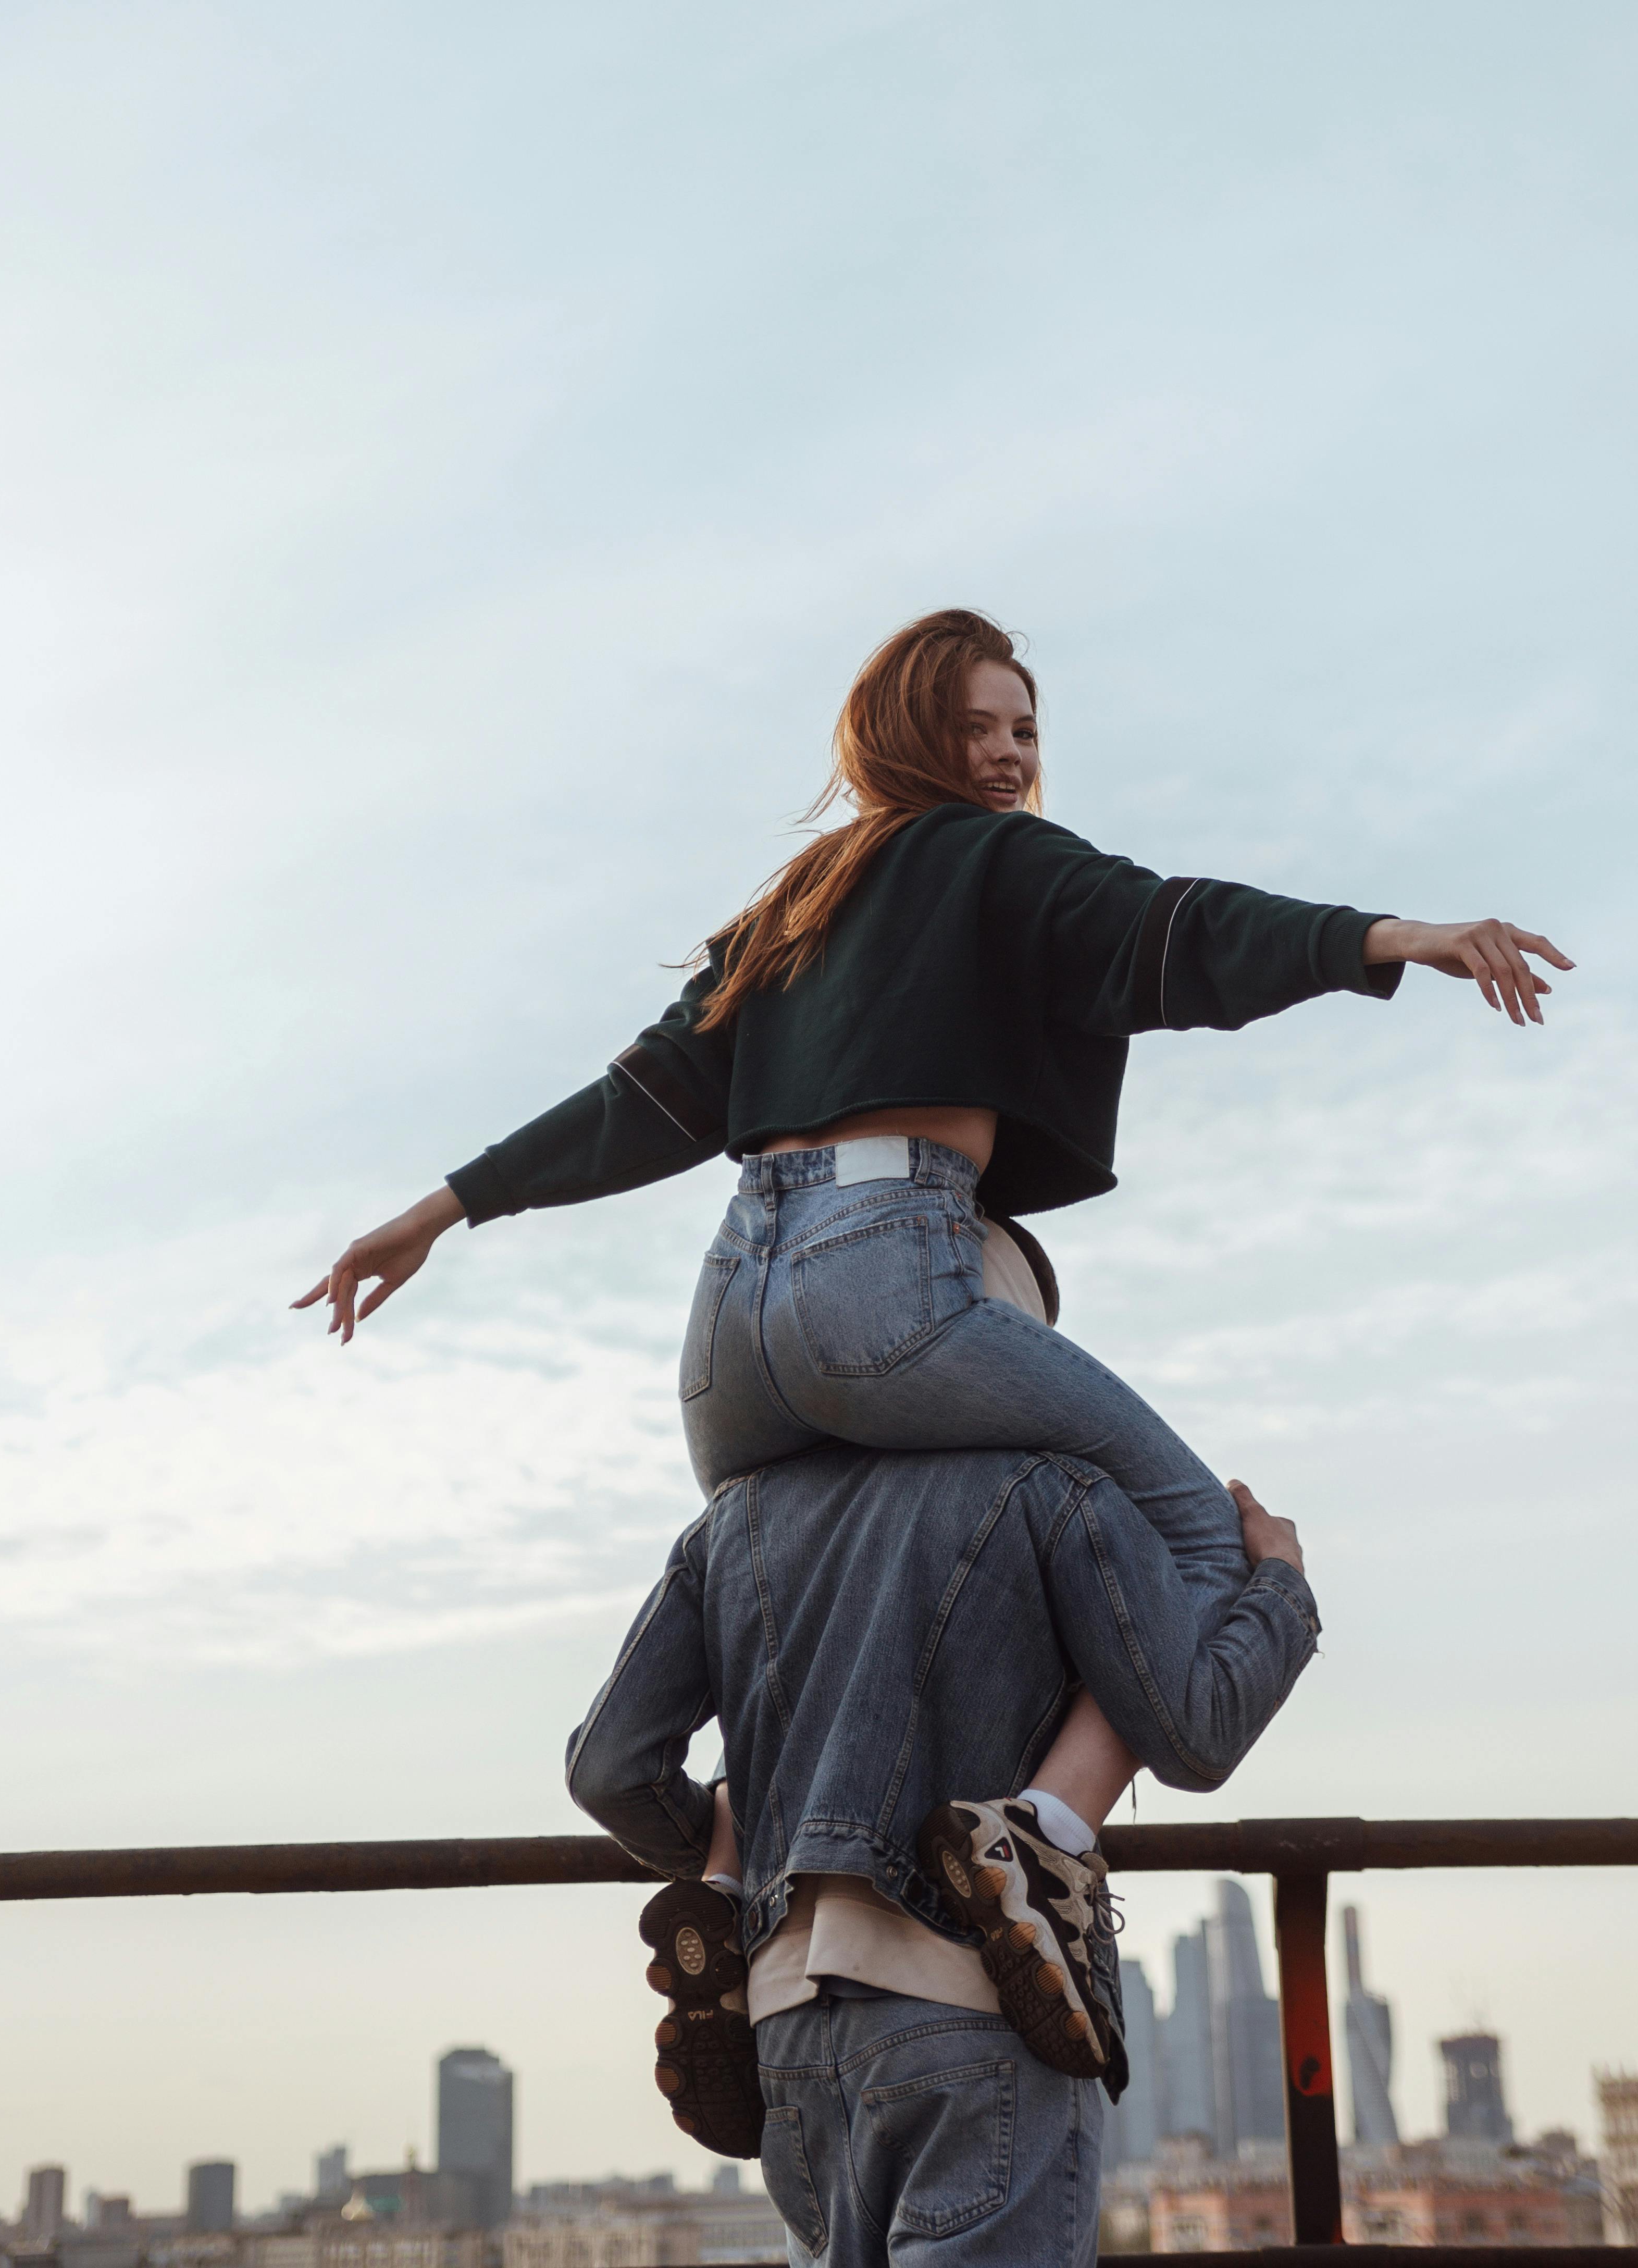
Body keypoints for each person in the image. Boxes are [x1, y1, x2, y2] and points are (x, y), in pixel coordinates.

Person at [295, 607, 1570, 2069]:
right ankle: (1038, 1836)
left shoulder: (797, 906)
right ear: (913, 730)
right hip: (883, 1275)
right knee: (1208, 1551)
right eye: (983, 725)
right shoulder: (999, 861)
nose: (1013, 755)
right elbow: (1180, 934)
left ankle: (727, 1881)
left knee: (802, 1574)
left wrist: (444, 1210)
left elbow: (643, 1100)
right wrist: (1396, 939)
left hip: (729, 1327)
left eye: (1027, 729)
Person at [566, 1435, 1319, 2267]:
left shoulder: (731, 1521)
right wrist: (1280, 1582)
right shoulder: (1049, 1487)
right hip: (975, 1990)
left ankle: (728, 1880)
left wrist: (719, 1844)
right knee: (1164, 1612)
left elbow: (608, 1769)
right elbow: (1194, 1724)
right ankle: (1034, 1843)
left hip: (783, 2020)